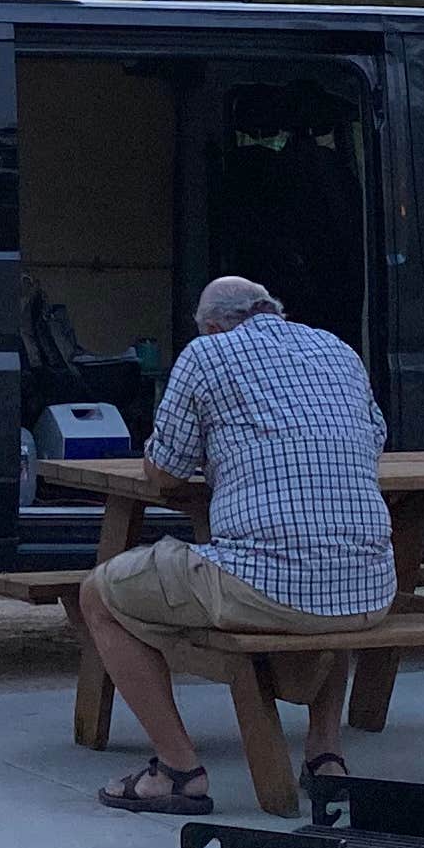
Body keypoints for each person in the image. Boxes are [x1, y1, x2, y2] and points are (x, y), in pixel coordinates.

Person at [77, 274, 395, 816]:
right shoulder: (338, 349)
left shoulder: (208, 353)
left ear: (213, 325)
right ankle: (325, 755)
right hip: (371, 590)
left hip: (269, 586)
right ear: (273, 309)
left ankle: (177, 770)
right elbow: (375, 437)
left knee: (99, 594)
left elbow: (163, 470)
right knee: (330, 558)